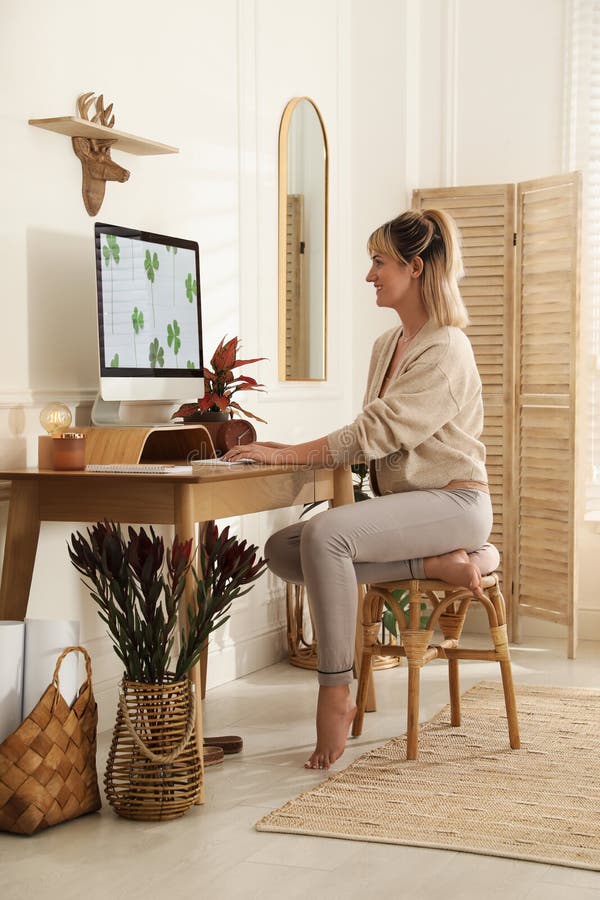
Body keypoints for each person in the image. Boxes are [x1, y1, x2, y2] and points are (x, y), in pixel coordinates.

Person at [223, 208, 497, 771]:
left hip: (456, 503)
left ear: (415, 267)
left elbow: (376, 431)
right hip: (413, 512)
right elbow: (366, 431)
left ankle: (335, 690)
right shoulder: (387, 345)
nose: (369, 275)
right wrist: (286, 452)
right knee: (282, 549)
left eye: (379, 262)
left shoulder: (447, 348)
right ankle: (434, 564)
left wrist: (287, 451)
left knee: (325, 537)